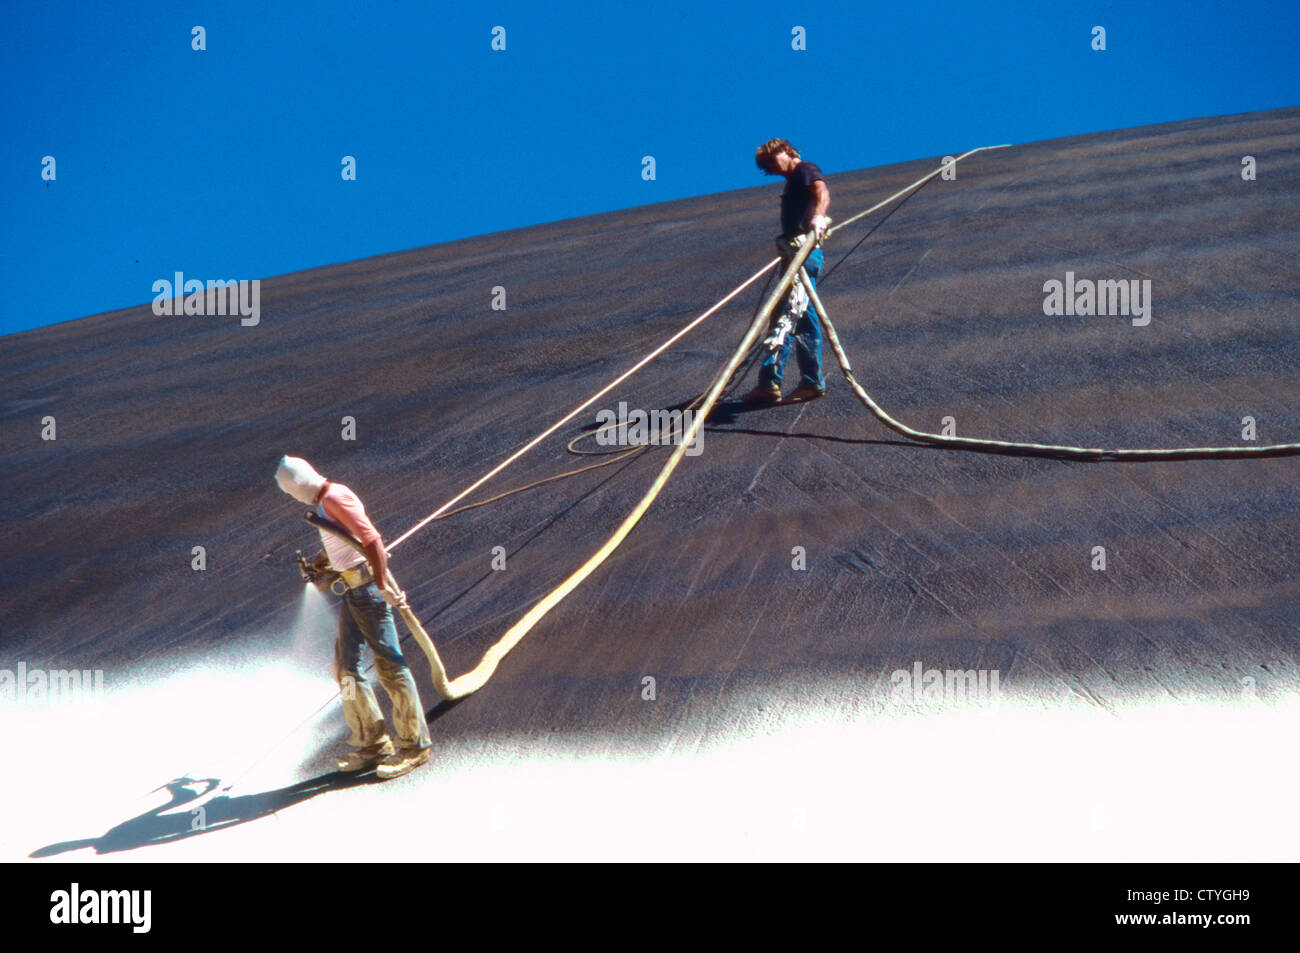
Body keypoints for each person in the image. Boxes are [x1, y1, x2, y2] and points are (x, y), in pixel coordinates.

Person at [275, 455, 432, 780]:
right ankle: (373, 742)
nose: (292, 499)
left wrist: (381, 584)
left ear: (298, 486)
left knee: (390, 665)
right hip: (353, 591)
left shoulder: (334, 498)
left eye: (289, 493)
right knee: (345, 668)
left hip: (368, 591)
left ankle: (414, 746)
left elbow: (371, 540)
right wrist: (323, 562)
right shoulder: (324, 502)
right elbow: (345, 542)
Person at [745, 138, 831, 405]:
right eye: (766, 167)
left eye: (772, 161)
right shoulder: (792, 181)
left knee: (792, 313)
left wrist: (818, 216)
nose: (771, 169)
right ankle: (786, 381)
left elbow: (821, 190)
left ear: (786, 151)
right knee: (797, 312)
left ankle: (778, 382)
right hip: (794, 254)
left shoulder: (804, 169)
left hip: (804, 253)